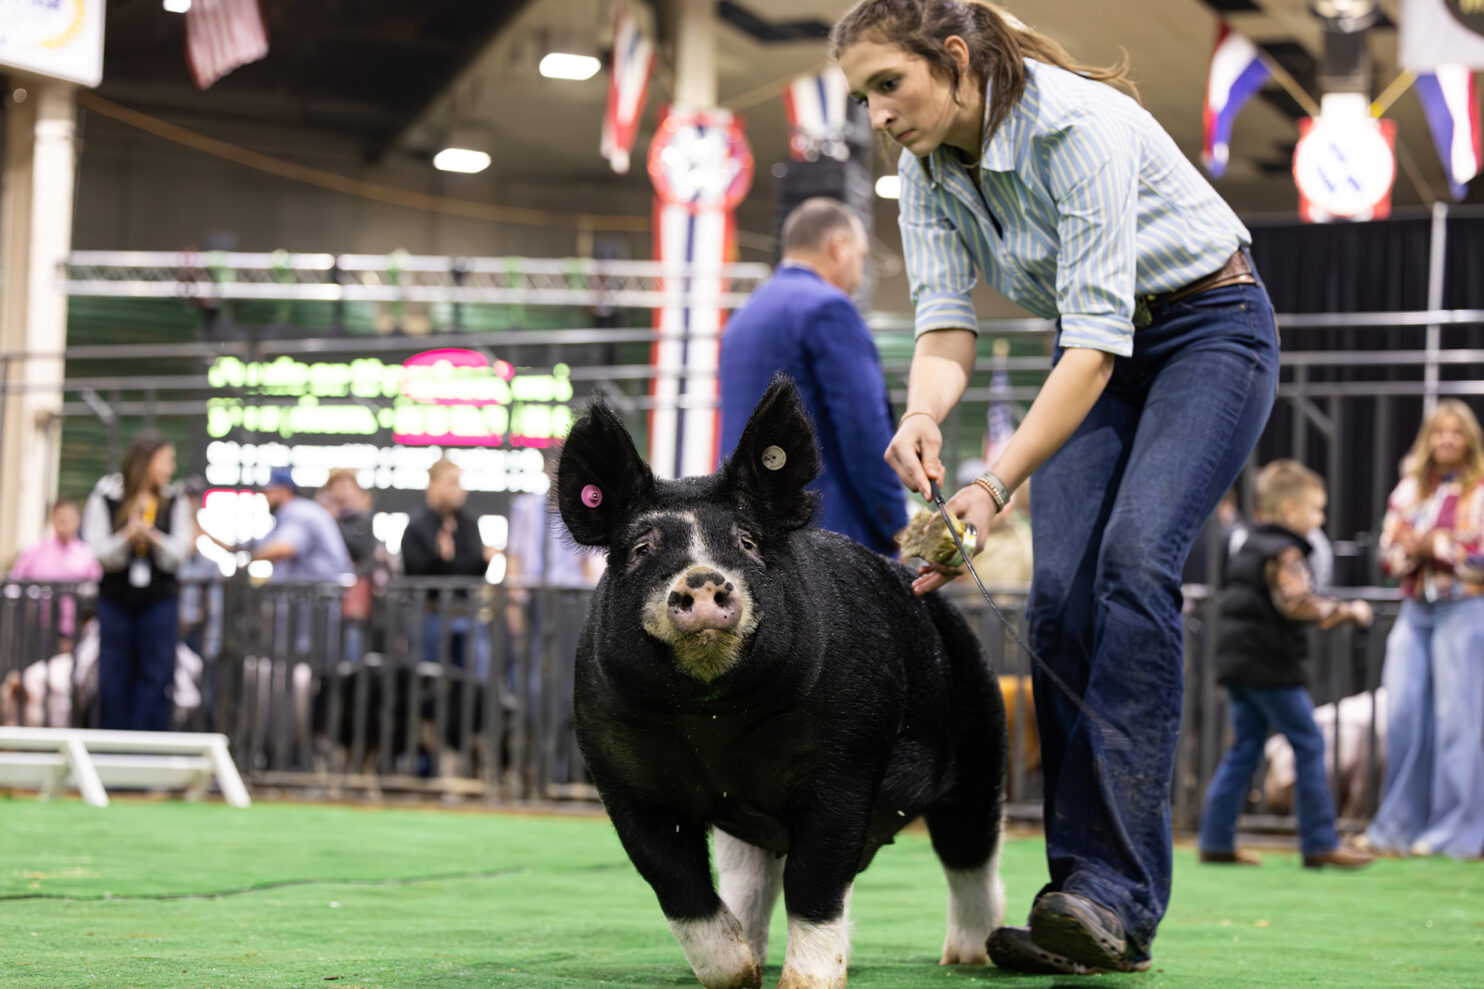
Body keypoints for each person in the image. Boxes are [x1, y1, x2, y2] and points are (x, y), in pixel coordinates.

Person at [835, 0, 1280, 973]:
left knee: (1129, 566)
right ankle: (1077, 891)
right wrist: (919, 416)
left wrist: (991, 482)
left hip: (1210, 329)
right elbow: (947, 327)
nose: (875, 112)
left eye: (886, 83)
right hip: (1100, 355)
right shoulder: (923, 170)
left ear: (951, 60)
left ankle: (1117, 892)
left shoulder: (1077, 125)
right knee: (1057, 597)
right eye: (860, 94)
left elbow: (1088, 346)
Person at [1196, 460, 1376, 869]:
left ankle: (1215, 840)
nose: (1321, 518)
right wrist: (1349, 612)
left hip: (1241, 665)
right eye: (1317, 509)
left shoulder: (1250, 544)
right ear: (1291, 510)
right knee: (1310, 743)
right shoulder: (1285, 551)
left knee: (1244, 750)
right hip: (1270, 666)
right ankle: (1319, 841)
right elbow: (1297, 602)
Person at [718, 197, 907, 555]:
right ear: (839, 247)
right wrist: (898, 523)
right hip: (828, 541)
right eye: (862, 258)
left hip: (748, 542)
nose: (860, 273)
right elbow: (863, 427)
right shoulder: (828, 308)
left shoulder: (743, 317)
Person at [1360, 400, 1484, 860]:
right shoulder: (1411, 488)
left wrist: (1436, 546)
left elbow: (1478, 559)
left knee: (1458, 721)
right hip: (1416, 607)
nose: (1447, 440)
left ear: (1469, 439)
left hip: (1466, 608)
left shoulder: (1480, 489)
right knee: (1403, 715)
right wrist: (1418, 550)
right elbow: (1388, 554)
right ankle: (1396, 827)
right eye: (1439, 432)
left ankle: (1456, 832)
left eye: (1455, 433)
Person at [82, 433, 194, 731]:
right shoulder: (105, 496)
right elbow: (99, 552)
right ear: (146, 461)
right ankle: (113, 757)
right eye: (166, 460)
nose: (171, 468)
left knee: (157, 676)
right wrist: (127, 537)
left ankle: (149, 756)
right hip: (116, 601)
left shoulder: (174, 500)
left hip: (159, 601)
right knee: (113, 677)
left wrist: (154, 539)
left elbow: (181, 553)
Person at [401, 457, 492, 675]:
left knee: (475, 677)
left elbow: (473, 571)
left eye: (459, 483)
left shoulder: (469, 524)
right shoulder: (417, 526)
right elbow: (413, 575)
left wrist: (483, 561)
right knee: (427, 677)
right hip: (429, 617)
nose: (460, 490)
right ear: (433, 484)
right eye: (451, 482)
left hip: (465, 615)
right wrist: (440, 558)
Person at [8, 497, 103, 648]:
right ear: (52, 519)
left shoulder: (87, 555)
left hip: (72, 631)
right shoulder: (34, 551)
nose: (65, 526)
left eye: (69, 520)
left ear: (78, 521)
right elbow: (15, 582)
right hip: (36, 629)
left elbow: (96, 589)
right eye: (61, 520)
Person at [251, 467, 354, 582]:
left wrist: (250, 558)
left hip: (318, 594)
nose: (266, 498)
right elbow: (263, 543)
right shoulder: (286, 515)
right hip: (308, 593)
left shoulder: (299, 511)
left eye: (269, 492)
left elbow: (284, 548)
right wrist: (237, 548)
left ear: (284, 490)